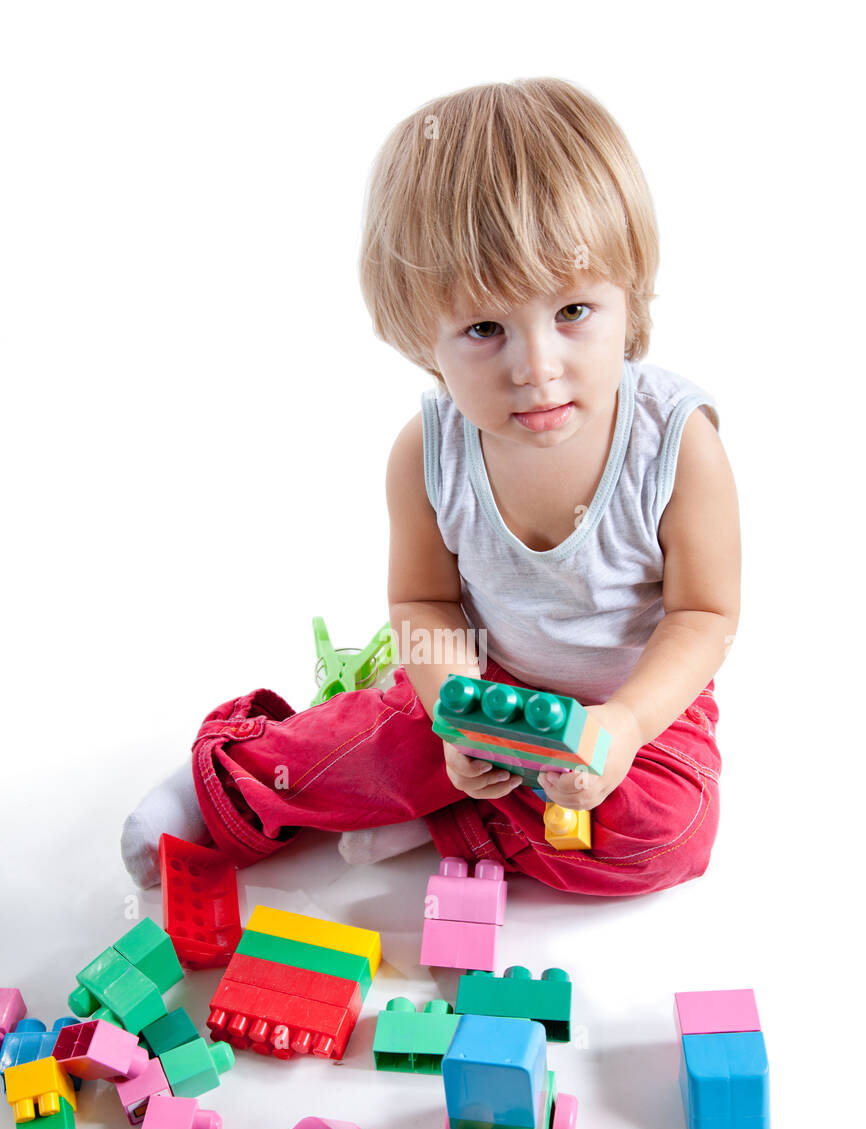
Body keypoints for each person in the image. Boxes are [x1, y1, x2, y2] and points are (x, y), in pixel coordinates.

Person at [122, 76, 740, 898]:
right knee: (378, 739)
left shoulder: (677, 444)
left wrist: (622, 727)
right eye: (485, 329)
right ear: (424, 338)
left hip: (633, 706)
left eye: (574, 312)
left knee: (664, 835)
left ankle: (426, 814)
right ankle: (228, 781)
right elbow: (425, 605)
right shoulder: (428, 451)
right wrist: (456, 713)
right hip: (484, 686)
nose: (536, 367)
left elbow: (705, 616)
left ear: (630, 294)